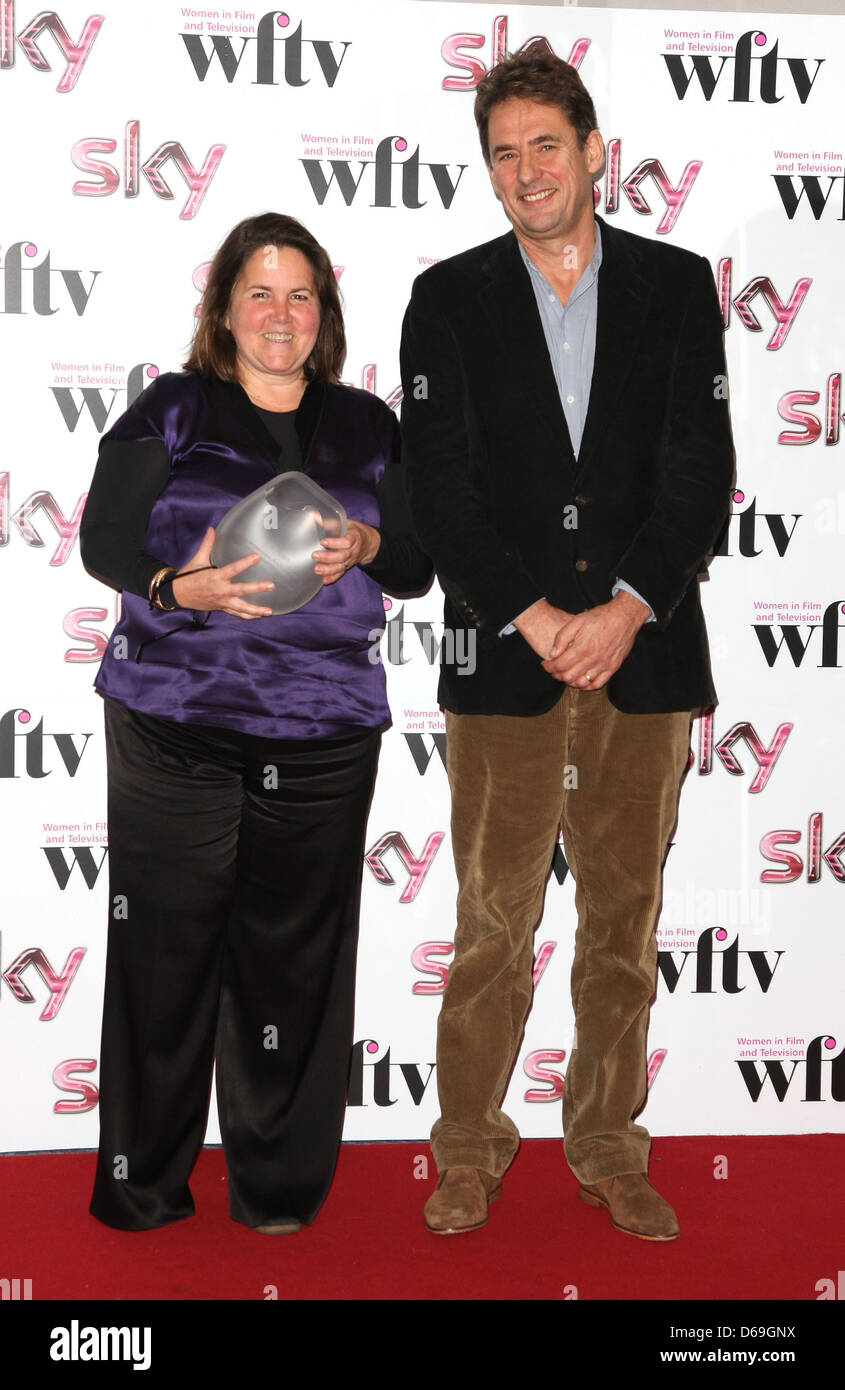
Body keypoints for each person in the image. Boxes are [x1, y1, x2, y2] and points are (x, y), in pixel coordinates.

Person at [399, 50, 734, 1241]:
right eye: (503, 151)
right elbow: (435, 489)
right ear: (487, 171)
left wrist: (627, 604)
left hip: (643, 656)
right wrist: (536, 617)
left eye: (546, 144)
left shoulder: (678, 284)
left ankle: (603, 1143)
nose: (526, 169)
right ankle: (466, 1150)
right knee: (492, 923)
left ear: (594, 152)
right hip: (503, 663)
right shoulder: (446, 296)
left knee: (621, 926)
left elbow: (700, 468)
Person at [81, 212, 431, 1234]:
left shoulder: (367, 422)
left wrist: (367, 537)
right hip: (173, 714)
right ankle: (141, 1181)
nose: (280, 315)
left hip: (322, 725)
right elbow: (104, 537)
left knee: (295, 960)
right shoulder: (176, 406)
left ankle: (276, 1188)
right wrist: (174, 584)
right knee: (165, 954)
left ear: (323, 310)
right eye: (259, 292)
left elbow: (412, 562)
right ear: (225, 308)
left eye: (300, 294)